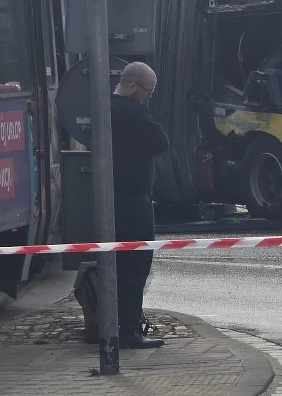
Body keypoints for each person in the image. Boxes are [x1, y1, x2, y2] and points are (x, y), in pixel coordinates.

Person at [111, 62, 170, 348]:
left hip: (113, 199)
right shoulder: (131, 112)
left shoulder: (106, 108)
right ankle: (129, 330)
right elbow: (161, 142)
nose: (149, 96)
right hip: (133, 201)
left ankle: (120, 326)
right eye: (148, 90)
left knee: (119, 266)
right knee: (135, 266)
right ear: (132, 86)